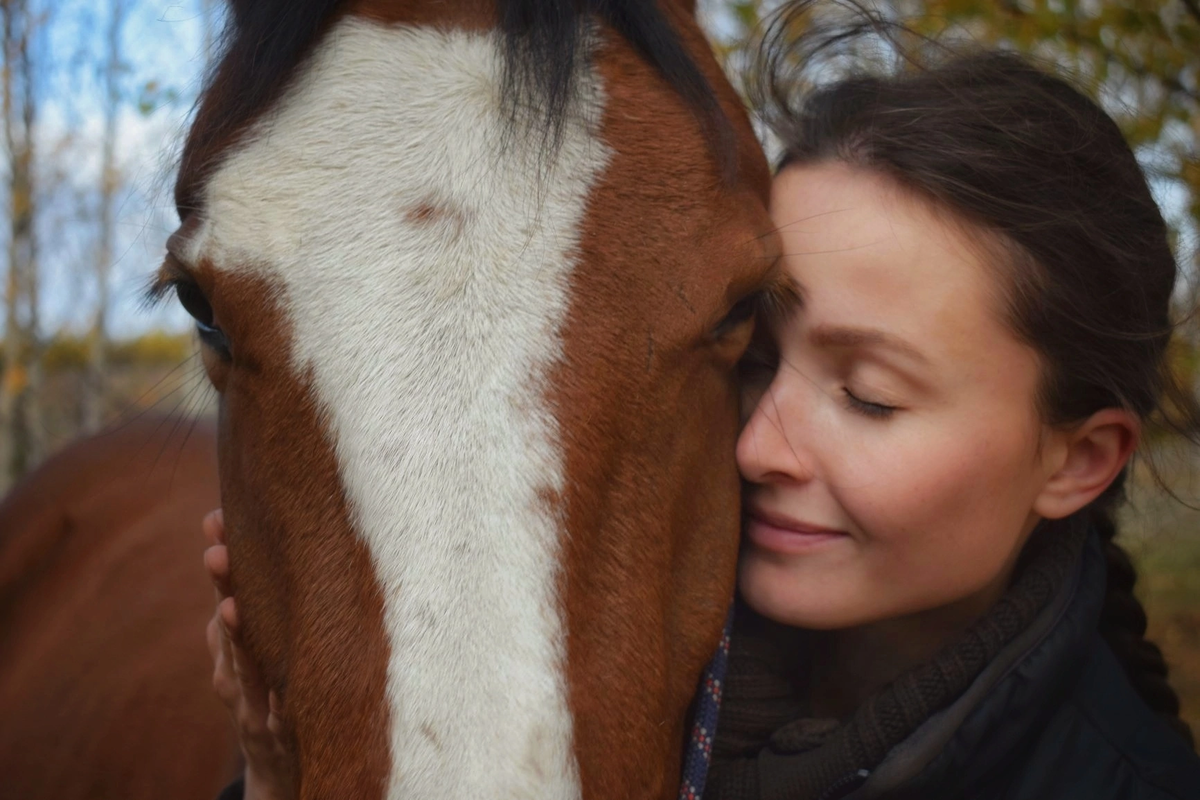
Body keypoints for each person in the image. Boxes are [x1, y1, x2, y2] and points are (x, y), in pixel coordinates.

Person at [202, 11, 1200, 800]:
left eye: (869, 395)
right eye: (749, 356)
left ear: (1078, 460)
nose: (757, 445)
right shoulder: (643, 613)